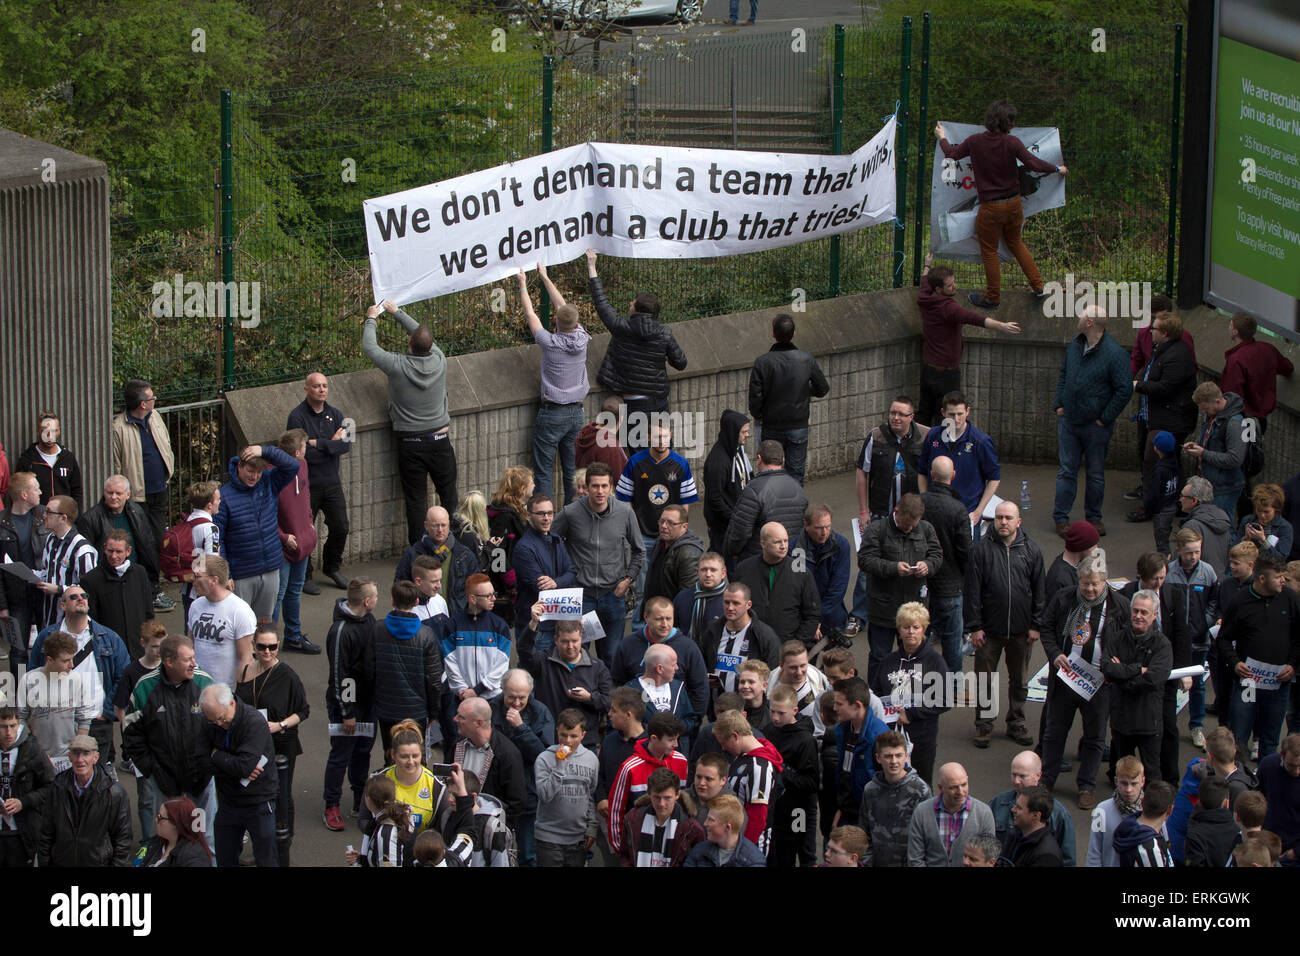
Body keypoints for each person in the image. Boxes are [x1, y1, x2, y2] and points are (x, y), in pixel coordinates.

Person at [934, 102, 1065, 308]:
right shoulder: (1012, 143)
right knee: (1016, 242)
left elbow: (951, 154)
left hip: (991, 208)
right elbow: (1033, 163)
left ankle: (993, 298)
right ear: (1008, 123)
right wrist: (1057, 168)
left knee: (989, 251)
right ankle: (1039, 287)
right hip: (1014, 204)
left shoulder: (975, 142)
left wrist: (942, 138)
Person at [363, 298, 458, 544]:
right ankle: (454, 543)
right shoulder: (440, 360)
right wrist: (399, 312)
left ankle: (418, 549)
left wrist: (372, 318)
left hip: (410, 443)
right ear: (429, 345)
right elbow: (424, 338)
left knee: (416, 500)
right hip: (440, 440)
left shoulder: (397, 365)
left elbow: (370, 348)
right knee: (449, 497)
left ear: (409, 343)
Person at [1039, 550, 1128, 809]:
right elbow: (1046, 628)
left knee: (1095, 737)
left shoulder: (1119, 605)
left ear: (1105, 583)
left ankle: (1086, 785)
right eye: (1085, 583)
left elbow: (1127, 640)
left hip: (1099, 683)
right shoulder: (1064, 598)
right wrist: (1055, 654)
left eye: (1095, 584)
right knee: (1054, 732)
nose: (1090, 589)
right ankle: (1047, 779)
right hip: (1065, 679)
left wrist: (1118, 663)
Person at [121, 635, 218, 855]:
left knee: (204, 838)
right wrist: (152, 770)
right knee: (167, 838)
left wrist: (210, 764)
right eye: (188, 659)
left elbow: (222, 723)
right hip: (163, 783)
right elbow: (130, 732)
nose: (194, 663)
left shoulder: (204, 683)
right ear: (169, 662)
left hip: (200, 782)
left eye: (194, 657)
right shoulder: (145, 688)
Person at [589, 250, 687, 453]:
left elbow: (602, 304)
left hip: (634, 405)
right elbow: (681, 362)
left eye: (632, 302)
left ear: (638, 310)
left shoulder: (621, 328)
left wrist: (592, 268)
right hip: (659, 402)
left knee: (636, 456)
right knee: (663, 450)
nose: (629, 304)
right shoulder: (664, 333)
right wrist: (665, 357)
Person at [965, 500, 1044, 747]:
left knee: (1019, 681)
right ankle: (984, 725)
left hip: (1022, 632)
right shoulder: (980, 551)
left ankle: (1017, 723)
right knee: (985, 680)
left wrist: (1036, 625)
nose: (1003, 522)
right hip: (988, 632)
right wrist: (975, 627)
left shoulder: (1032, 550)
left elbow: (1040, 591)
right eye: (999, 517)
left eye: (1008, 518)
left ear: (1018, 522)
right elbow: (972, 592)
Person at [1050, 305, 1133, 537]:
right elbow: (1064, 374)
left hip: (1095, 426)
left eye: (1082, 315)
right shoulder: (1076, 345)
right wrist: (1059, 403)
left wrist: (1104, 418)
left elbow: (1124, 389)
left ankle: (1094, 517)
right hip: (1069, 421)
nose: (1077, 317)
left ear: (1090, 323)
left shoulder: (1114, 354)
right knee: (1067, 470)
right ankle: (1061, 517)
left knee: (1095, 473)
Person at [850, 396, 927, 636]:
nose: (895, 417)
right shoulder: (876, 436)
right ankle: (859, 615)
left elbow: (929, 474)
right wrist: (864, 511)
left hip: (911, 516)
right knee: (869, 563)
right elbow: (862, 472)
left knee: (913, 565)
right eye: (892, 412)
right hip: (880, 513)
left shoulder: (925, 436)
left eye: (901, 414)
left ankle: (914, 619)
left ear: (911, 417)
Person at [30, 586, 129, 768]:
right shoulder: (47, 636)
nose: (80, 598)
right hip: (56, 724)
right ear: (63, 606)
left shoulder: (109, 638)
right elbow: (32, 675)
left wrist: (106, 712)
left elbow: (124, 678)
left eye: (84, 595)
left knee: (96, 782)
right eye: (73, 596)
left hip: (95, 722)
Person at [235, 621, 308, 867]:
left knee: (280, 795)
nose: (267, 652)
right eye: (262, 647)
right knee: (253, 796)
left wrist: (280, 725)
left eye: (273, 647)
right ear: (254, 646)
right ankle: (261, 850)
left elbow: (303, 711)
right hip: (252, 743)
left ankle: (281, 847)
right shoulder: (245, 671)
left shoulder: (287, 675)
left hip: (280, 744)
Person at [552, 460, 643, 659]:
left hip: (613, 595)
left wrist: (628, 580)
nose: (600, 491)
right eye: (595, 486)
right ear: (587, 487)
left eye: (604, 486)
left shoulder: (625, 513)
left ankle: (606, 691)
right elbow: (550, 542)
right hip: (582, 597)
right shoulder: (571, 513)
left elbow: (639, 551)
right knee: (577, 653)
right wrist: (562, 579)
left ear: (611, 487)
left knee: (610, 655)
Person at [517, 264, 590, 504]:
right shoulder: (582, 338)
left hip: (552, 415)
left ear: (556, 322)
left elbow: (531, 316)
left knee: (544, 471)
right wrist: (546, 278)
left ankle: (544, 518)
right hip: (577, 413)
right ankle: (573, 516)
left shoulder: (550, 342)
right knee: (571, 470)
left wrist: (523, 285)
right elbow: (563, 307)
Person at [916, 264, 1022, 427]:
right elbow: (974, 318)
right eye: (950, 285)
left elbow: (924, 281)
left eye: (954, 282)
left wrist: (927, 264)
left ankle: (918, 449)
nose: (954, 287)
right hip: (947, 373)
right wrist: (1002, 326)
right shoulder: (948, 308)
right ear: (938, 288)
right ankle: (943, 450)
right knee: (947, 418)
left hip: (928, 369)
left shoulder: (924, 298)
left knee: (924, 413)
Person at [1220, 553, 1300, 765]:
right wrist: (1235, 662)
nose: (1283, 580)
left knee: (1270, 740)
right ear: (1262, 578)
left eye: (1284, 576)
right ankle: (1238, 783)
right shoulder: (1240, 602)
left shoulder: (1290, 599)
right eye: (1278, 577)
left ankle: (1265, 787)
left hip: (1278, 686)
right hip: (1248, 684)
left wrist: (1293, 665)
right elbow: (1223, 639)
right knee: (1239, 738)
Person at [616, 422, 699, 613]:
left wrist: (681, 530)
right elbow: (624, 498)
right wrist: (633, 528)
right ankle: (640, 633)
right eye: (656, 437)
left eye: (664, 436)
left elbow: (685, 502)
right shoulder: (635, 462)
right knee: (642, 591)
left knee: (671, 587)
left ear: (670, 436)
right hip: (643, 535)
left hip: (672, 539)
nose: (661, 441)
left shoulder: (681, 464)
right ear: (647, 438)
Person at [214, 443, 301, 622]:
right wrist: (226, 574)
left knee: (264, 625)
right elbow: (218, 539)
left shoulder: (268, 482)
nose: (254, 477)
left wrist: (264, 451)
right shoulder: (224, 497)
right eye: (250, 470)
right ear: (239, 466)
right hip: (241, 575)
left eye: (259, 472)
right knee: (240, 625)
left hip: (270, 568)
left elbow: (292, 465)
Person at [857, 493, 942, 672]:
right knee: (880, 656)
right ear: (896, 512)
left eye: (914, 524)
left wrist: (927, 566)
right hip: (884, 609)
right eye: (906, 523)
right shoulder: (877, 530)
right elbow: (865, 560)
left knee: (915, 658)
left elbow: (936, 555)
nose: (909, 528)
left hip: (914, 609)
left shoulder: (926, 529)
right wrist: (893, 568)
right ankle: (878, 695)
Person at [111, 380, 176, 610]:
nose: (154, 401)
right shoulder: (119, 427)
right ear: (141, 403)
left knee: (158, 540)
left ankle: (153, 585)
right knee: (143, 543)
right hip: (137, 495)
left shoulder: (154, 417)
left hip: (159, 489)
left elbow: (165, 443)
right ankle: (150, 589)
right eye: (151, 398)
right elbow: (116, 464)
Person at [1129, 311, 1198, 525]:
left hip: (1169, 419)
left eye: (1154, 328)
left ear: (1165, 333)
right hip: (1162, 417)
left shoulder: (1176, 355)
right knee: (1170, 462)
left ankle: (1150, 506)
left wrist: (1138, 386)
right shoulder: (1166, 350)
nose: (1150, 331)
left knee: (1153, 460)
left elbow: (1166, 386)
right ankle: (1174, 500)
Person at [201, 682, 279, 867]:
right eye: (213, 721)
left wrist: (215, 754)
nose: (218, 724)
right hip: (228, 800)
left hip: (258, 801)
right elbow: (200, 761)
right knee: (225, 858)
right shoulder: (209, 720)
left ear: (231, 703)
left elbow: (244, 767)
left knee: (266, 859)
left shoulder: (253, 722)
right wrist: (233, 767)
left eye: (221, 718)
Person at [871, 602, 950, 786]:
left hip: (921, 737)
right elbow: (875, 693)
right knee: (888, 782)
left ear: (924, 630)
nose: (911, 632)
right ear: (899, 630)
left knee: (920, 784)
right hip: (889, 735)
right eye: (906, 627)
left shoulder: (935, 662)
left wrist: (911, 713)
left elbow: (943, 700)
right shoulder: (889, 660)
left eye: (916, 627)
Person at [287, 371, 352, 592]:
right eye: (316, 386)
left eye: (324, 385)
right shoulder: (296, 417)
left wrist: (317, 443)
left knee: (341, 526)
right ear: (307, 389)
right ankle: (305, 576)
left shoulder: (336, 413)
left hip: (332, 482)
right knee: (305, 531)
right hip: (308, 485)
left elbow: (346, 445)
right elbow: (300, 454)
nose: (322, 389)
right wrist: (330, 444)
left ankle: (331, 567)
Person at [1100, 589, 1172, 785]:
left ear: (1155, 615)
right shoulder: (1116, 637)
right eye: (1135, 611)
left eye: (1144, 612)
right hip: (1121, 720)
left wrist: (1120, 676)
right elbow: (1106, 668)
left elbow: (1153, 679)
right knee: (1123, 773)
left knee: (1152, 773)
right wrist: (1139, 669)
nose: (1138, 616)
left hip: (1148, 722)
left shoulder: (1162, 645)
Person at [747, 313, 829, 484]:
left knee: (770, 472)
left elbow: (755, 399)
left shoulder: (762, 362)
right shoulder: (806, 359)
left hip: (771, 425)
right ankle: (794, 508)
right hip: (797, 425)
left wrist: (760, 416)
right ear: (794, 333)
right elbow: (822, 388)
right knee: (796, 474)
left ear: (773, 334)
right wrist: (803, 390)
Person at [322, 577, 377, 830]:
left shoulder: (369, 620)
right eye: (375, 597)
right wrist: (347, 712)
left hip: (368, 703)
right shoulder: (341, 631)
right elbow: (338, 675)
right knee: (341, 755)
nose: (378, 600)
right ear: (367, 601)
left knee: (362, 752)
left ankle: (359, 799)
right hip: (349, 706)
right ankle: (331, 805)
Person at [489, 668, 555, 867]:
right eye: (511, 697)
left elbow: (544, 757)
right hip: (498, 794)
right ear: (502, 690)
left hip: (529, 793)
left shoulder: (540, 712)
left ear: (530, 692)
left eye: (522, 698)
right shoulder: (491, 709)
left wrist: (521, 728)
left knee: (528, 855)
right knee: (495, 852)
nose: (516, 703)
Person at [440, 573, 513, 750]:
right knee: (457, 744)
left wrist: (478, 690)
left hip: (491, 698)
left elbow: (502, 665)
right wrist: (463, 690)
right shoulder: (453, 624)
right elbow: (450, 662)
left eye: (493, 593)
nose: (494, 598)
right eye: (488, 595)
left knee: (490, 745)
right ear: (472, 598)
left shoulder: (499, 626)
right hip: (460, 698)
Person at [517, 610, 611, 749]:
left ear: (582, 638)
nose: (570, 647)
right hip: (550, 740)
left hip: (585, 743)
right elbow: (524, 650)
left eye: (575, 641)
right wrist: (533, 623)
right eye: (565, 641)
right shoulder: (543, 661)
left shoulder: (597, 666)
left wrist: (589, 698)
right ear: (556, 640)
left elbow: (610, 702)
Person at [36, 734, 132, 867]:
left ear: (95, 757)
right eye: (76, 753)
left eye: (86, 754)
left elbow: (123, 839)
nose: (80, 760)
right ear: (69, 757)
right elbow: (46, 832)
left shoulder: (114, 793)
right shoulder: (57, 787)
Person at [372, 580, 442, 758]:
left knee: (391, 755)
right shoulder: (426, 635)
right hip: (416, 711)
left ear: (393, 602)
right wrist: (434, 711)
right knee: (416, 757)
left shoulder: (377, 630)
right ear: (416, 602)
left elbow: (368, 670)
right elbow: (434, 679)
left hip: (386, 707)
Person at [610, 596, 710, 722]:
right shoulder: (628, 645)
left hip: (678, 728)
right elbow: (617, 683)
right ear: (646, 617)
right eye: (659, 619)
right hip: (637, 726)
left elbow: (700, 688)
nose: (664, 624)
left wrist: (692, 723)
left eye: (669, 619)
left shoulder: (688, 648)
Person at [77, 475, 165, 614]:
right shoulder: (90, 518)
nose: (113, 497)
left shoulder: (137, 512)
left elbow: (147, 546)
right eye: (109, 492)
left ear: (128, 494)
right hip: (108, 580)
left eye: (118, 493)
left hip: (134, 576)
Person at [606, 712, 688, 857]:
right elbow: (616, 812)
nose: (676, 745)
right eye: (671, 740)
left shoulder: (681, 762)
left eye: (677, 739)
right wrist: (624, 851)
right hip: (638, 848)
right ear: (654, 739)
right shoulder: (630, 767)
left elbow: (683, 804)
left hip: (671, 848)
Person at [1165, 528, 1218, 751]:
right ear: (1178, 550)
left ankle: (1196, 726)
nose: (1194, 557)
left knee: (1197, 687)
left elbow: (1214, 603)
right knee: (1168, 683)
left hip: (1198, 640)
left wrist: (1202, 625)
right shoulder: (1168, 572)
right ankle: (1164, 724)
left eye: (1197, 551)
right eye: (1188, 553)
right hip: (1173, 642)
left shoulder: (1208, 573)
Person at [916, 392, 1000, 530]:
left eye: (960, 414)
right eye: (951, 414)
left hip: (967, 514)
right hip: (935, 512)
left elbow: (994, 478)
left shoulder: (981, 441)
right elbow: (922, 471)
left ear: (968, 411)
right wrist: (924, 501)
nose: (956, 419)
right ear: (943, 412)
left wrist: (979, 511)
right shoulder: (933, 435)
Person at [733, 522, 820, 649]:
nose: (783, 546)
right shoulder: (744, 570)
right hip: (750, 644)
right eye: (777, 542)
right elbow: (734, 605)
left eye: (786, 541)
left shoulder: (801, 573)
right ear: (763, 543)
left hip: (788, 647)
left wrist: (796, 644)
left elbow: (812, 614)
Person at [919, 458, 970, 671]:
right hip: (950, 585)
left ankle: (917, 681)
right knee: (952, 639)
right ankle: (953, 685)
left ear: (931, 475)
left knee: (918, 637)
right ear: (954, 475)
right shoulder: (958, 509)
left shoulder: (919, 503)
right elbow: (965, 551)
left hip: (920, 582)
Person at [272, 429, 321, 654]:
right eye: (304, 446)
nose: (306, 449)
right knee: (278, 594)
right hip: (283, 544)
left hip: (302, 539)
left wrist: (309, 523)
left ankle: (293, 636)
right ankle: (269, 641)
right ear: (296, 452)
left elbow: (306, 496)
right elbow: (268, 512)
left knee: (294, 590)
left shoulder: (303, 466)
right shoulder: (273, 474)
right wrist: (283, 536)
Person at [20, 631, 98, 768]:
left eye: (72, 659)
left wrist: (77, 753)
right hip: (38, 756)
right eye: (66, 661)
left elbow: (84, 720)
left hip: (69, 757)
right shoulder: (29, 681)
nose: (71, 665)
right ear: (49, 659)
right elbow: (21, 720)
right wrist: (37, 754)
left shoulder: (77, 680)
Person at [761, 684, 818, 866]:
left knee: (800, 850)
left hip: (798, 810)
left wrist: (781, 769)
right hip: (775, 808)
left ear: (794, 710)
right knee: (777, 853)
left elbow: (810, 783)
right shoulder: (769, 731)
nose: (776, 718)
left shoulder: (805, 740)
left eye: (781, 713)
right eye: (772, 711)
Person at [534, 708, 600, 867]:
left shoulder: (591, 759)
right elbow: (544, 795)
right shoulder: (544, 758)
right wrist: (560, 765)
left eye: (574, 736)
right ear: (557, 731)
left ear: (583, 735)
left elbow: (590, 795)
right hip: (548, 837)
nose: (568, 741)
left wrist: (592, 827)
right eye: (563, 735)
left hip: (578, 838)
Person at [988, 750, 1078, 867]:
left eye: (1022, 776)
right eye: (1013, 774)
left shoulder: (1059, 814)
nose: (1016, 781)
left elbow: (1068, 860)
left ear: (1038, 775)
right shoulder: (998, 803)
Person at [511, 493, 577, 650]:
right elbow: (541, 586)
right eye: (541, 514)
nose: (546, 518)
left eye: (550, 513)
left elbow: (572, 572)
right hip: (535, 626)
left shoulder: (556, 539)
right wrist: (560, 581)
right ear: (529, 515)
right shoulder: (524, 548)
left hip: (557, 623)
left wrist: (556, 582)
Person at [725, 440, 809, 564]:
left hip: (759, 561)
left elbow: (740, 532)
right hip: (790, 560)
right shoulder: (798, 488)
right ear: (783, 459)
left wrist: (730, 552)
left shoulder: (754, 490)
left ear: (759, 458)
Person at [713, 710, 783, 855]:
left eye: (723, 742)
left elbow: (757, 817)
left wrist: (742, 850)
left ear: (735, 736)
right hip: (735, 839)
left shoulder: (759, 767)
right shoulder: (743, 757)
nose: (723, 748)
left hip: (749, 847)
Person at [858, 730, 931, 867]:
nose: (894, 761)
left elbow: (927, 837)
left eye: (898, 755)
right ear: (878, 758)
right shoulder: (870, 790)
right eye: (888, 756)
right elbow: (864, 833)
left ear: (906, 756)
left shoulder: (920, 791)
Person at [452, 697, 527, 828]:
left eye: (461, 717)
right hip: (457, 824)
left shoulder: (507, 754)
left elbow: (516, 803)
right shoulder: (457, 745)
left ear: (478, 722)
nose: (455, 719)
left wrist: (494, 830)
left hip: (487, 832)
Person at [701, 581, 780, 702]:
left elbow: (773, 675)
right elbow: (703, 664)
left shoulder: (764, 635)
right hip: (717, 707)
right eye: (726, 602)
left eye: (736, 603)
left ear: (748, 604)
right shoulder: (713, 630)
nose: (730, 607)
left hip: (750, 710)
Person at [81, 529, 154, 659]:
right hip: (109, 651)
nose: (114, 556)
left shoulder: (139, 573)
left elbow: (148, 611)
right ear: (104, 549)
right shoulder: (91, 580)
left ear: (128, 551)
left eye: (119, 551)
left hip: (138, 648)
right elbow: (91, 620)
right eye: (110, 551)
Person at [906, 761, 996, 866]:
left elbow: (987, 858)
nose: (960, 792)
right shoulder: (922, 812)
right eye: (953, 787)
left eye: (964, 785)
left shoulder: (983, 813)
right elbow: (915, 859)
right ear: (940, 788)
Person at [186, 555, 255, 690]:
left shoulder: (240, 611)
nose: (191, 579)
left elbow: (246, 659)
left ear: (214, 580)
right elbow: (190, 645)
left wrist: (239, 695)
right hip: (195, 687)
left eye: (197, 576)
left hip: (225, 691)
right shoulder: (195, 606)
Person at [394, 505, 478, 616]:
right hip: (422, 617)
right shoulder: (412, 554)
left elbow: (475, 589)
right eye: (435, 525)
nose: (440, 530)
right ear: (426, 526)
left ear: (449, 525)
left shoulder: (465, 555)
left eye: (443, 525)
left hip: (456, 619)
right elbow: (400, 588)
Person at [831, 676, 891, 827]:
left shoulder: (878, 736)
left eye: (839, 704)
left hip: (870, 817)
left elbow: (889, 782)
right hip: (847, 811)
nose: (834, 708)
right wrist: (841, 808)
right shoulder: (842, 731)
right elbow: (844, 775)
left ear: (857, 705)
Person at [0, 472, 48, 664]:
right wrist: (2, 605)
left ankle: (46, 691)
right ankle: (18, 692)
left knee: (49, 647)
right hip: (14, 598)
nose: (40, 492)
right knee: (17, 651)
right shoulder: (1, 523)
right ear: (24, 494)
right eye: (36, 488)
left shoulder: (44, 515)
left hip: (43, 592)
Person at [0, 704, 55, 867]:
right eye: (3, 727)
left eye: (12, 726)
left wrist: (22, 802)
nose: (9, 733)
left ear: (19, 724)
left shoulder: (31, 749)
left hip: (21, 832)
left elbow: (50, 787)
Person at [596, 687, 647, 863]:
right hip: (611, 823)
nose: (609, 714)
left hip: (641, 825)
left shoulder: (649, 745)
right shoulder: (609, 740)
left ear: (628, 714)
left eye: (613, 710)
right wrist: (601, 798)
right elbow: (600, 775)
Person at [618, 765, 705, 867]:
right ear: (649, 793)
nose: (661, 804)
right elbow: (624, 855)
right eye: (657, 797)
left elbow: (700, 861)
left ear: (677, 795)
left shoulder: (692, 828)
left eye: (667, 798)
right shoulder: (633, 819)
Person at [1184, 383, 1248, 520]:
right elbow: (1208, 442)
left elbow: (1235, 459)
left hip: (1226, 486)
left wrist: (1203, 453)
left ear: (1217, 401)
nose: (1204, 412)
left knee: (1223, 525)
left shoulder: (1235, 423)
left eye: (1206, 409)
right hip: (1213, 482)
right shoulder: (1214, 414)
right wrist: (1197, 446)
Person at [1222, 311, 1294, 430]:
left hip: (1243, 420)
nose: (1228, 328)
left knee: (1240, 448)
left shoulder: (1236, 360)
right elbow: (1288, 368)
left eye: (1230, 325)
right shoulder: (1268, 349)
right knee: (1254, 446)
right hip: (1260, 419)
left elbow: (1233, 395)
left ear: (1235, 332)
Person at [35, 495, 97, 631]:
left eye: (49, 512)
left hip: (72, 624)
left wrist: (58, 589)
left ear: (63, 518)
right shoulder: (50, 540)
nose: (44, 515)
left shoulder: (82, 549)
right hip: (49, 618)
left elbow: (89, 589)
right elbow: (47, 572)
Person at [796, 503, 852, 638]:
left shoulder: (841, 545)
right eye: (818, 528)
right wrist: (810, 620)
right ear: (806, 525)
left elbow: (838, 588)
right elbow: (794, 588)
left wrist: (817, 618)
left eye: (827, 527)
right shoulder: (794, 549)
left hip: (831, 613)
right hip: (802, 614)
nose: (824, 533)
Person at [485, 467, 532, 625]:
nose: (535, 487)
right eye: (532, 483)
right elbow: (497, 552)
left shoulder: (512, 511)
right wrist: (510, 582)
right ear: (523, 489)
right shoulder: (504, 517)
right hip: (502, 586)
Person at [702, 411, 753, 556]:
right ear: (733, 433)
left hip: (734, 521)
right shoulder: (718, 462)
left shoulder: (738, 452)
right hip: (723, 525)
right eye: (743, 432)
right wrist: (734, 517)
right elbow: (714, 498)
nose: (747, 435)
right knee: (722, 560)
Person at [175, 480, 221, 624]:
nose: (220, 502)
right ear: (209, 505)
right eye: (218, 499)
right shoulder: (210, 528)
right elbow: (212, 562)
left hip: (187, 587)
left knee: (189, 628)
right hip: (203, 591)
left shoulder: (187, 522)